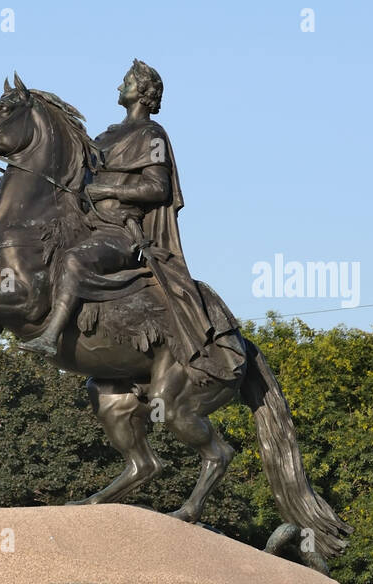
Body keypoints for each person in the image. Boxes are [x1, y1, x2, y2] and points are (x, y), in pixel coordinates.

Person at [19, 60, 244, 387]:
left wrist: (108, 188)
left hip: (120, 233)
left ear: (143, 92)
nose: (118, 87)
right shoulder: (106, 135)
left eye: (125, 82)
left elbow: (158, 188)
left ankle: (51, 334)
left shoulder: (152, 135)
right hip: (89, 223)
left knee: (71, 260)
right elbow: (75, 179)